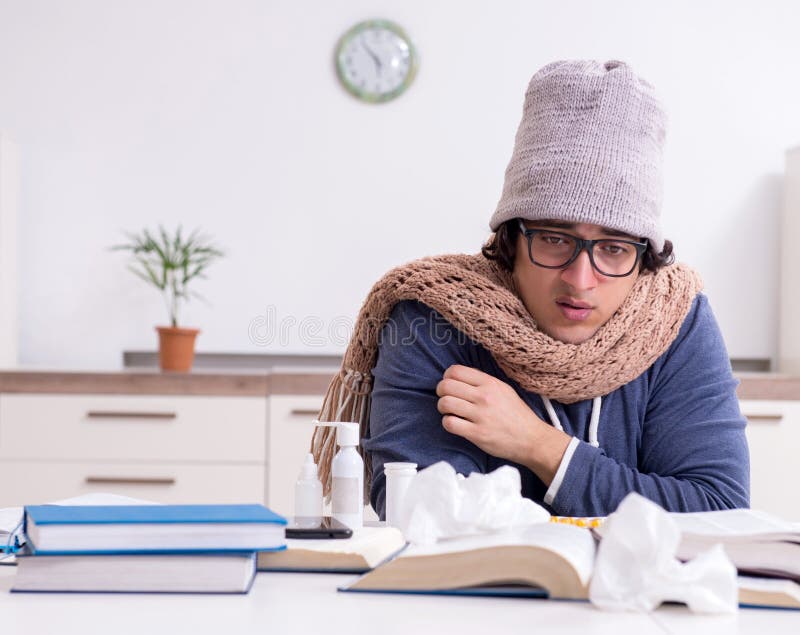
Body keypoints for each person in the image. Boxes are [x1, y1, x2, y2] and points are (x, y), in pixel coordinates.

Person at [311, 60, 749, 519]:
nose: (581, 280)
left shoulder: (674, 320)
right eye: (555, 240)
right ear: (511, 239)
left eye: (615, 249)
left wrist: (539, 445)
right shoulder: (434, 314)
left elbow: (718, 509)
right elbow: (422, 509)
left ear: (644, 258)